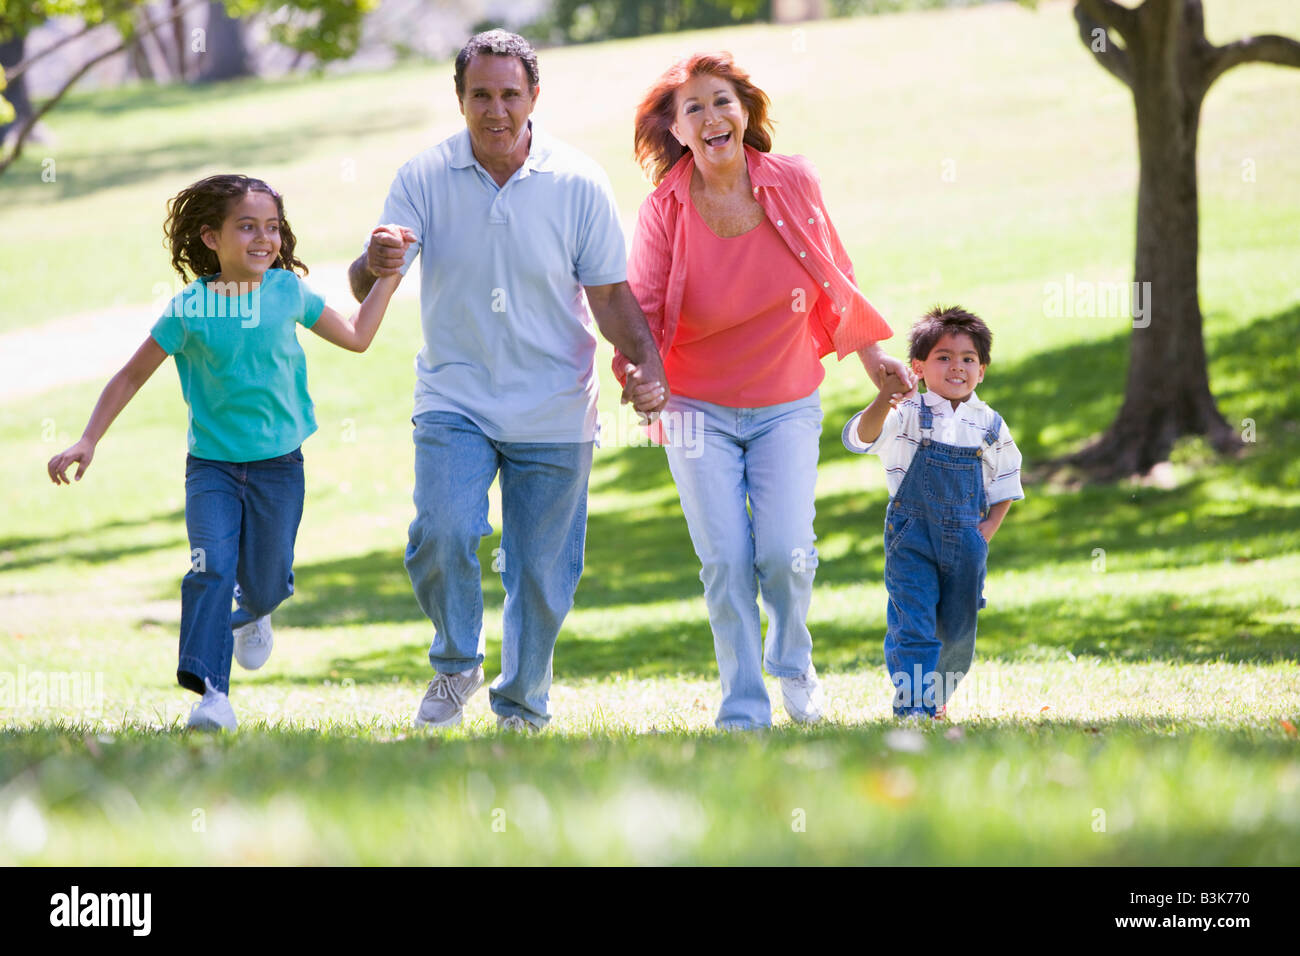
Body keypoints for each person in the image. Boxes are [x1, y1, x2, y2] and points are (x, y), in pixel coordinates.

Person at [348, 30, 667, 733]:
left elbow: (611, 296)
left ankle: (522, 703)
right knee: (441, 530)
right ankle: (457, 660)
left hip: (555, 400)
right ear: (460, 99)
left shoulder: (577, 179)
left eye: (509, 95)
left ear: (535, 98)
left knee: (543, 574)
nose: (496, 110)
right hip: (455, 395)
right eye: (480, 95)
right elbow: (369, 273)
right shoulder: (424, 175)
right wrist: (371, 262)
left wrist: (647, 365)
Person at [47, 173, 413, 731]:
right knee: (210, 568)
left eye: (272, 227)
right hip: (213, 469)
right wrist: (88, 438)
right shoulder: (188, 310)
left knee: (267, 582)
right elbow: (129, 376)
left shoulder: (287, 292)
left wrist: (387, 276)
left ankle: (255, 609)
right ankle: (212, 694)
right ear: (211, 237)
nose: (263, 238)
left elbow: (359, 336)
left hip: (279, 467)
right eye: (247, 226)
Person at [622, 52, 913, 730]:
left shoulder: (792, 181)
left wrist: (872, 358)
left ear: (745, 111)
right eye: (692, 108)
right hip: (696, 406)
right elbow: (638, 306)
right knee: (724, 561)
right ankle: (744, 705)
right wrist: (641, 377)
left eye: (721, 100)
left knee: (785, 553)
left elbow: (834, 270)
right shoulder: (665, 208)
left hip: (785, 401)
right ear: (678, 131)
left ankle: (792, 659)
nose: (711, 116)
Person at [842, 306, 1024, 718]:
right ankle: (914, 707)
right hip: (912, 539)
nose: (956, 367)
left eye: (968, 359)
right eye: (943, 357)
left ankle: (936, 694)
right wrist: (884, 397)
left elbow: (1006, 484)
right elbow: (861, 438)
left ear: (982, 371)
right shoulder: (907, 412)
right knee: (914, 623)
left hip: (967, 543)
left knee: (958, 631)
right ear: (919, 367)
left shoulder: (990, 424)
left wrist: (984, 533)